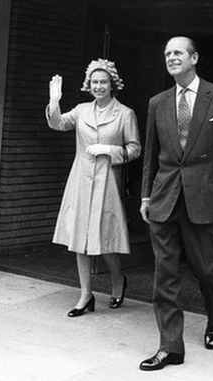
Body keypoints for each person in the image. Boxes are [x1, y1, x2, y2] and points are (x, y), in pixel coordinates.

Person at [138, 36, 213, 371]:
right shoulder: (157, 102)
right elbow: (150, 153)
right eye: (167, 53)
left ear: (194, 58)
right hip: (165, 198)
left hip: (205, 197)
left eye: (178, 52)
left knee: (207, 270)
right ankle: (170, 346)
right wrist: (146, 194)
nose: (171, 57)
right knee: (165, 276)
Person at [46, 59, 141, 317]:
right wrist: (54, 102)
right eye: (95, 82)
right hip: (81, 179)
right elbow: (58, 124)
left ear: (113, 85)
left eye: (104, 82)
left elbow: (135, 148)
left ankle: (117, 280)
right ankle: (85, 295)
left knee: (106, 238)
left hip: (107, 181)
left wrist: (111, 150)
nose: (99, 86)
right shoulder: (81, 110)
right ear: (89, 85)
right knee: (80, 239)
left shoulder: (125, 114)